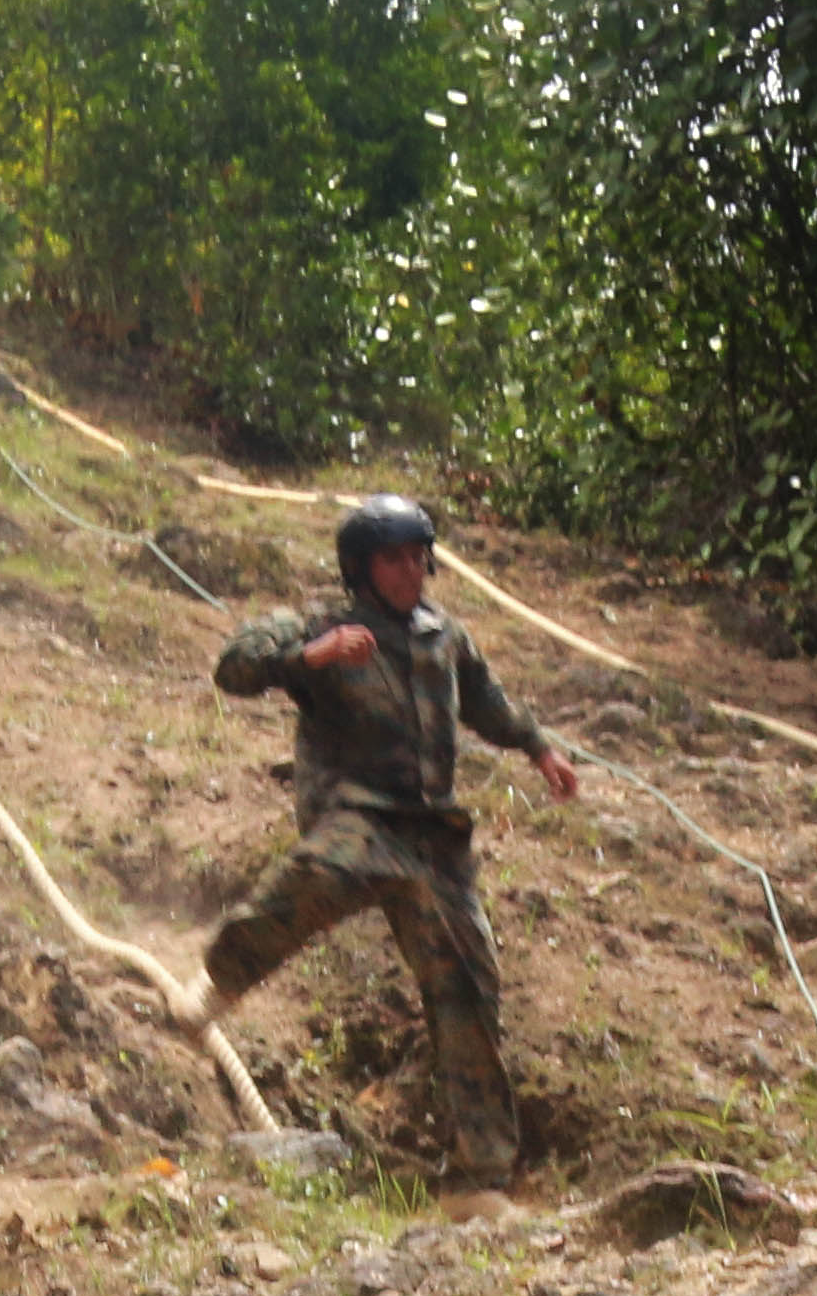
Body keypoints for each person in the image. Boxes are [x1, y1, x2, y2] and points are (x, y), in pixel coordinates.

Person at [194, 496, 577, 1216]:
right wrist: (311, 657)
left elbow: (487, 700)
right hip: (357, 812)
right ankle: (216, 984)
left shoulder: (443, 637)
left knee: (469, 985)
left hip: (432, 835)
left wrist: (538, 747)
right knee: (319, 876)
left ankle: (477, 1178)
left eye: (417, 557)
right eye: (393, 559)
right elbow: (235, 665)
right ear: (361, 568)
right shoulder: (324, 625)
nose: (410, 572)